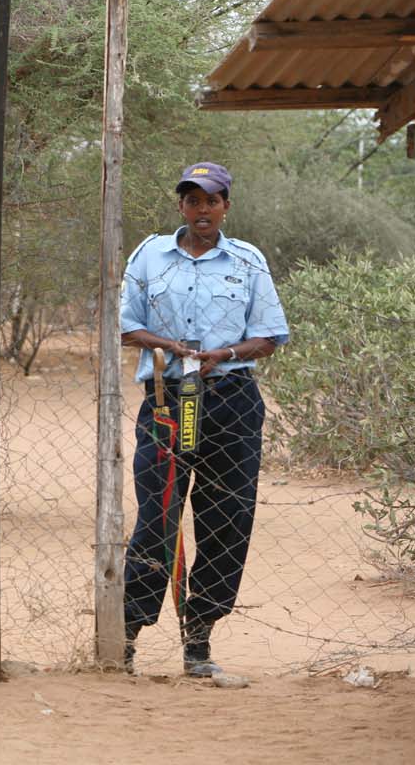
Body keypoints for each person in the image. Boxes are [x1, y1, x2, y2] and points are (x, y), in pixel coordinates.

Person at [119, 162, 289, 677]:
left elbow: (270, 336)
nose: (202, 210)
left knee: (226, 520)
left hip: (230, 400)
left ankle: (199, 642)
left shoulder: (248, 260)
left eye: (211, 200)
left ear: (225, 207)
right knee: (158, 518)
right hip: (167, 401)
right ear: (181, 207)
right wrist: (169, 346)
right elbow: (127, 327)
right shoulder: (149, 255)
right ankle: (125, 637)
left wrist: (223, 353)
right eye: (193, 200)